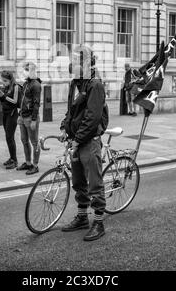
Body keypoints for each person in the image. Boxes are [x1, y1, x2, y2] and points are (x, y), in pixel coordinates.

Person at [60, 45, 109, 242]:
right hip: (76, 140)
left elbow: (92, 118)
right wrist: (65, 127)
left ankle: (99, 222)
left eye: (76, 60)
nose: (71, 63)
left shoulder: (95, 85)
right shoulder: (76, 83)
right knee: (78, 181)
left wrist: (78, 141)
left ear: (86, 63)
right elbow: (71, 111)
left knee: (94, 184)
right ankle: (82, 217)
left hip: (88, 141)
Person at [16, 62, 42, 175]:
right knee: (24, 140)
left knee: (34, 142)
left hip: (31, 117)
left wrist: (34, 120)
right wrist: (20, 114)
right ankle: (28, 163)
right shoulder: (26, 83)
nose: (24, 72)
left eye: (26, 70)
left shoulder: (36, 85)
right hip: (23, 116)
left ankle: (35, 165)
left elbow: (36, 103)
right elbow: (23, 100)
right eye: (23, 70)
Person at [0, 71, 20, 170]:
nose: (4, 83)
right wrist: (0, 95)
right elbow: (4, 101)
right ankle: (12, 158)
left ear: (10, 79)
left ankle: (15, 161)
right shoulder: (6, 87)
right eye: (2, 81)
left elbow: (15, 101)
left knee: (10, 137)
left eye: (5, 81)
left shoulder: (16, 87)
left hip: (12, 114)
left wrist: (4, 96)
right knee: (8, 137)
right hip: (6, 114)